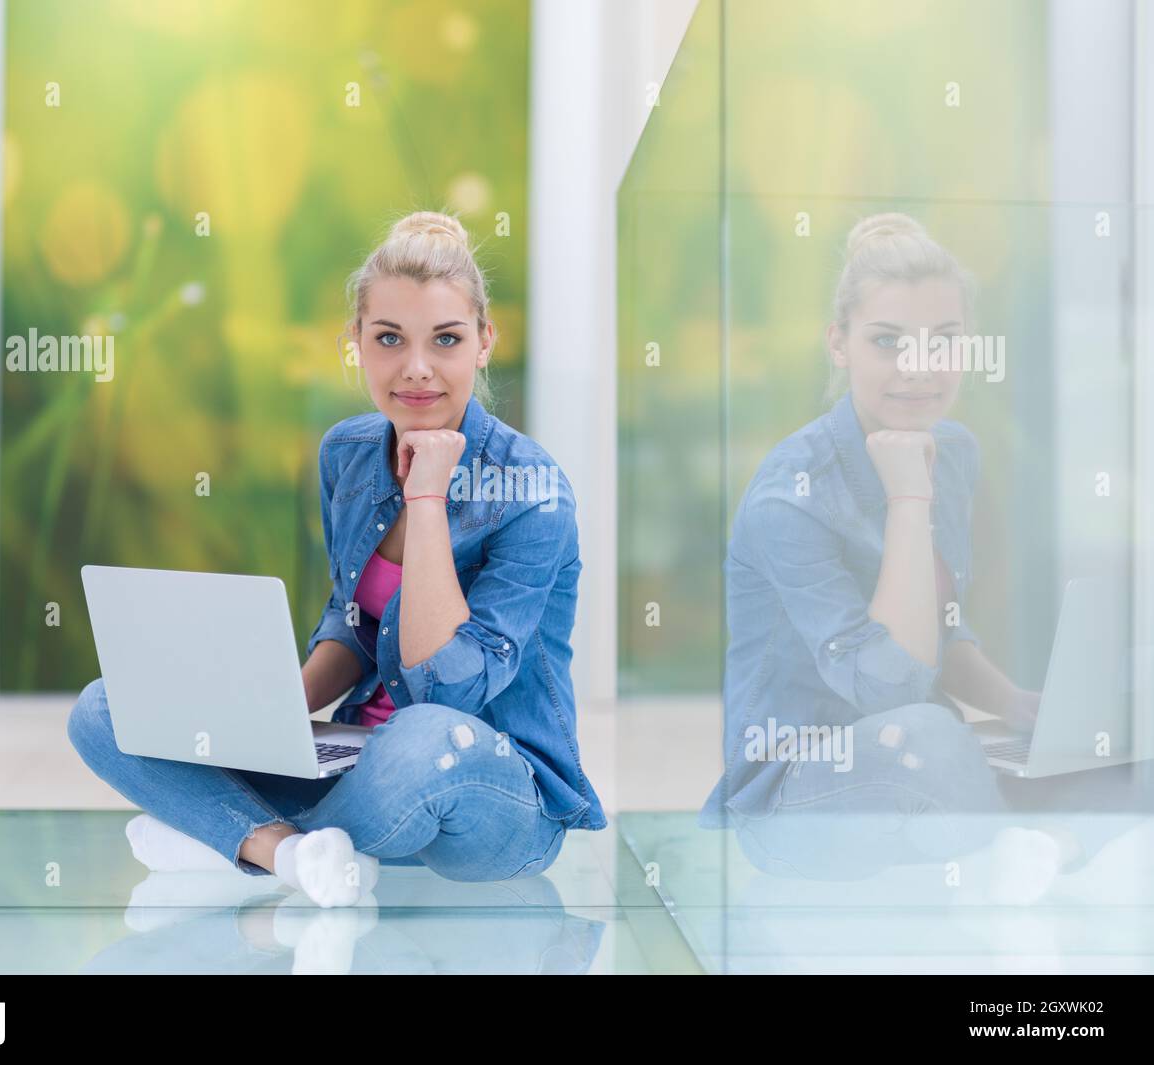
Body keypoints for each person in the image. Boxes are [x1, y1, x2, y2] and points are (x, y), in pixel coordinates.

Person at [68, 210, 605, 907]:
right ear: (355, 343)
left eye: (445, 339)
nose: (416, 368)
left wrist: (429, 500)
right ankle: (285, 851)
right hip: (358, 765)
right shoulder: (347, 454)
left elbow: (443, 694)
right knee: (105, 706)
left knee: (419, 737)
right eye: (388, 338)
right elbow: (355, 622)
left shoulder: (533, 490)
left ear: (483, 342)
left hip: (488, 790)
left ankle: (225, 839)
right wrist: (271, 715)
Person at [705, 212, 1153, 901]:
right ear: (840, 344)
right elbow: (893, 689)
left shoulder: (955, 451)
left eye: (943, 342)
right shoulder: (790, 496)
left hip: (922, 766)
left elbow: (940, 629)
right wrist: (908, 498)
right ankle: (1041, 845)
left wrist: (1017, 705)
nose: (920, 370)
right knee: (928, 735)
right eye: (888, 341)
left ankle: (1040, 847)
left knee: (1126, 756)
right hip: (798, 791)